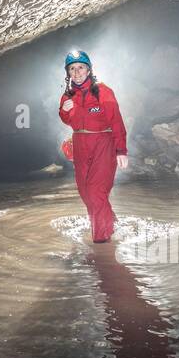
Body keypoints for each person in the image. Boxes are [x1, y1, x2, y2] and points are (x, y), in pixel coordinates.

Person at [58, 49, 128, 243]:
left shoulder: (103, 91)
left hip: (103, 144)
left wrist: (121, 150)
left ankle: (102, 240)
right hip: (80, 144)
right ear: (68, 73)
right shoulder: (67, 96)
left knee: (95, 191)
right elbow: (67, 120)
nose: (77, 72)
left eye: (81, 67)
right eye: (72, 68)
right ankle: (110, 221)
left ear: (88, 69)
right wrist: (64, 111)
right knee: (84, 191)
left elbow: (116, 121)